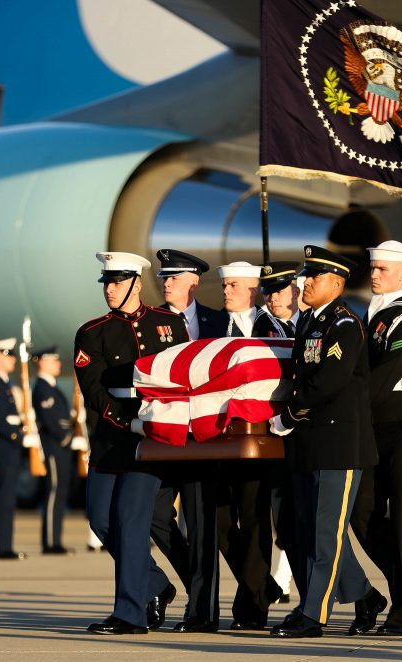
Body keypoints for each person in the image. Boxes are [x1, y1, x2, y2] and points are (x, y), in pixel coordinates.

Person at [75, 251, 189, 635]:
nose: (111, 289)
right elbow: (94, 392)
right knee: (101, 519)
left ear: (137, 284)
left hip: (153, 443)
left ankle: (130, 613)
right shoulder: (92, 332)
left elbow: (182, 377)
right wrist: (129, 421)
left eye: (119, 282)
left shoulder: (169, 324)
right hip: (113, 439)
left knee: (129, 519)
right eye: (107, 282)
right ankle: (156, 584)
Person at [267, 246, 378, 638]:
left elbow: (329, 379)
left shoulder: (345, 324)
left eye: (314, 276)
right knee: (309, 530)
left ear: (337, 283)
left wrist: (290, 413)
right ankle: (364, 595)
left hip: (339, 442)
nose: (305, 282)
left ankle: (314, 614)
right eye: (306, 275)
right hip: (310, 442)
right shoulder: (310, 324)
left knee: (325, 532)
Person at [347, 241, 402, 636]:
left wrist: (349, 406)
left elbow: (387, 373)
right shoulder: (372, 314)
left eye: (383, 269)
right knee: (361, 512)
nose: (375, 274)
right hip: (376, 426)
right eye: (373, 268)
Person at [209, 260, 283, 632]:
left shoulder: (271, 327)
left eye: (234, 286)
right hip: (218, 437)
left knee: (255, 521)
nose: (226, 292)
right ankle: (263, 585)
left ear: (254, 290)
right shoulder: (211, 326)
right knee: (221, 521)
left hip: (259, 438)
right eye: (225, 286)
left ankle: (252, 607)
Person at [154, 248, 225, 630]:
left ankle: (202, 611)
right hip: (165, 436)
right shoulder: (150, 322)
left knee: (201, 525)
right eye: (165, 277)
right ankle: (191, 580)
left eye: (175, 277)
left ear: (193, 282)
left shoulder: (218, 321)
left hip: (204, 437)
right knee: (154, 513)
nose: (167, 282)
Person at [253, 262, 303, 612]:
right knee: (284, 518)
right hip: (277, 432)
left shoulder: (314, 323)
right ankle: (285, 582)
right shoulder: (263, 326)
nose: (272, 299)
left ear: (296, 292)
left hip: (310, 431)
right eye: (268, 292)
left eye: (279, 291)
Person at [0, 337, 26, 560]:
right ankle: (0, 547)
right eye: (9, 355)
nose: (13, 360)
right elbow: (0, 421)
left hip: (10, 446)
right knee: (3, 498)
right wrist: (17, 436)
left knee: (9, 498)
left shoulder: (5, 384)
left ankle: (5, 545)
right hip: (4, 446)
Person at [31, 347, 75, 555]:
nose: (58, 364)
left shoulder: (52, 387)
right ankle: (50, 542)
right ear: (42, 363)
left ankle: (55, 539)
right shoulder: (42, 388)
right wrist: (67, 438)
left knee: (60, 494)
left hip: (61, 448)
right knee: (54, 492)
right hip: (54, 447)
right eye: (53, 361)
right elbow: (51, 421)